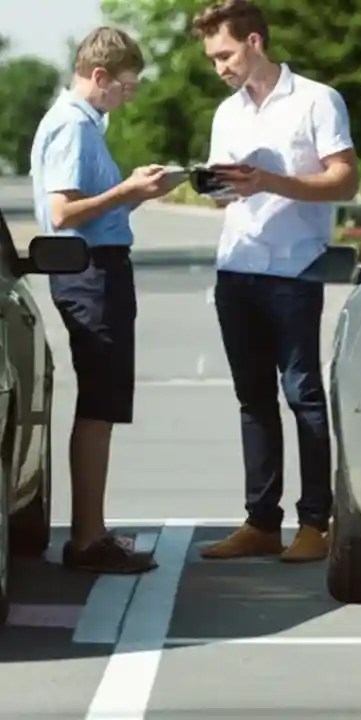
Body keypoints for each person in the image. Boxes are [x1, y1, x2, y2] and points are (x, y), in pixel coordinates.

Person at [190, 0, 359, 562]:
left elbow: (345, 181)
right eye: (213, 59)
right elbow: (227, 196)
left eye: (225, 54)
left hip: (294, 267)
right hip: (235, 267)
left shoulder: (316, 99)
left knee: (303, 395)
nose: (219, 67)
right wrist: (213, 185)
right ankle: (261, 523)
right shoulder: (227, 113)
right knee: (253, 399)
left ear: (255, 42)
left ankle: (315, 524)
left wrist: (271, 181)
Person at [29, 27, 175, 573]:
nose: (129, 96)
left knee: (102, 402)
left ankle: (92, 532)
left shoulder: (84, 123)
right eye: (126, 86)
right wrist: (128, 190)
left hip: (93, 268)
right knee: (98, 403)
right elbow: (63, 212)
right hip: (90, 273)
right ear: (100, 76)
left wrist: (133, 196)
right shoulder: (73, 124)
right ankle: (87, 540)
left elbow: (91, 208)